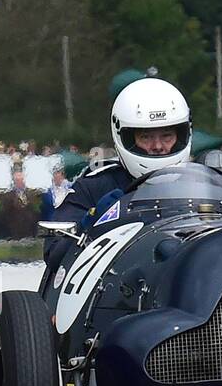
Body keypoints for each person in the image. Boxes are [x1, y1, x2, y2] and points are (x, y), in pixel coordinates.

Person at [45, 74, 192, 258]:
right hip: (120, 282)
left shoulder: (201, 184)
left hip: (190, 281)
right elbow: (53, 253)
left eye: (167, 136)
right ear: (125, 137)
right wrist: (90, 223)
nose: (158, 146)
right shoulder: (94, 187)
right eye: (146, 137)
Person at [0, 171, 38, 238]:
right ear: (14, 182)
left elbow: (34, 210)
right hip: (15, 231)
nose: (20, 182)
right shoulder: (8, 196)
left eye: (22, 179)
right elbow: (5, 214)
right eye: (18, 180)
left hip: (30, 230)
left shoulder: (31, 194)